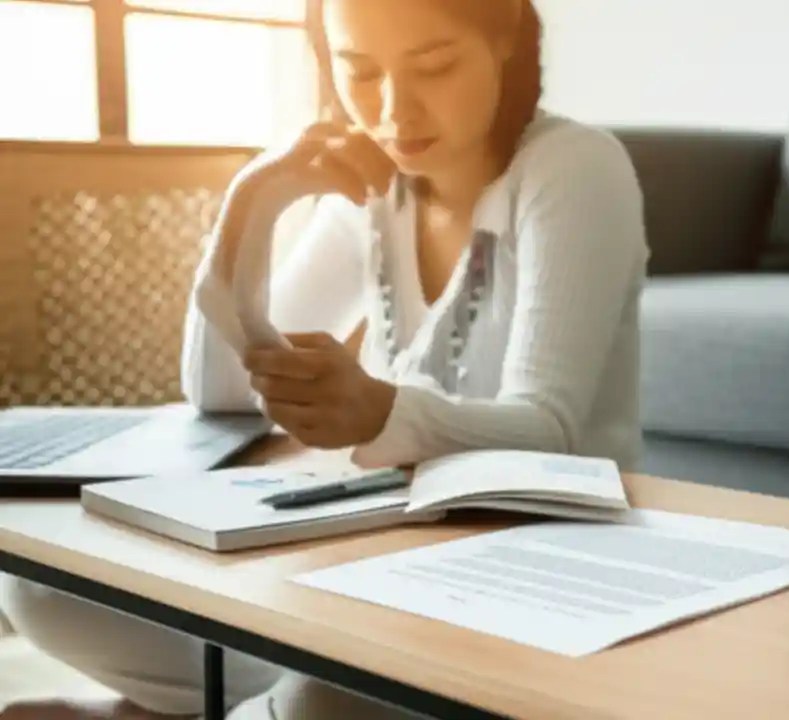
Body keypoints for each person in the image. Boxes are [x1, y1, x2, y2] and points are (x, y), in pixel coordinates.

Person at [0, 0, 648, 717]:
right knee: (38, 589)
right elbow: (221, 393)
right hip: (383, 555)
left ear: (503, 41)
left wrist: (380, 409)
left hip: (539, 568)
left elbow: (550, 433)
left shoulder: (573, 167)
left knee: (323, 700)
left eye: (432, 67)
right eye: (360, 72)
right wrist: (255, 198)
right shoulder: (376, 192)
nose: (395, 111)